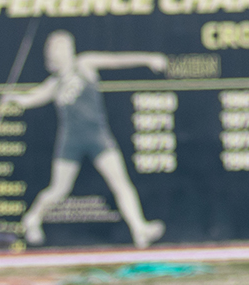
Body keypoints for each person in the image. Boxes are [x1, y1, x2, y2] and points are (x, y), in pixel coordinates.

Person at [11, 30, 166, 248]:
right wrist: (14, 99)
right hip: (70, 140)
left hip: (98, 136)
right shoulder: (54, 83)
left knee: (120, 183)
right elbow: (33, 98)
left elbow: (117, 60)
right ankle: (32, 219)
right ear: (51, 54)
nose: (62, 52)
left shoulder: (84, 64)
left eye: (65, 47)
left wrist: (149, 58)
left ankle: (140, 229)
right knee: (58, 189)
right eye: (57, 48)